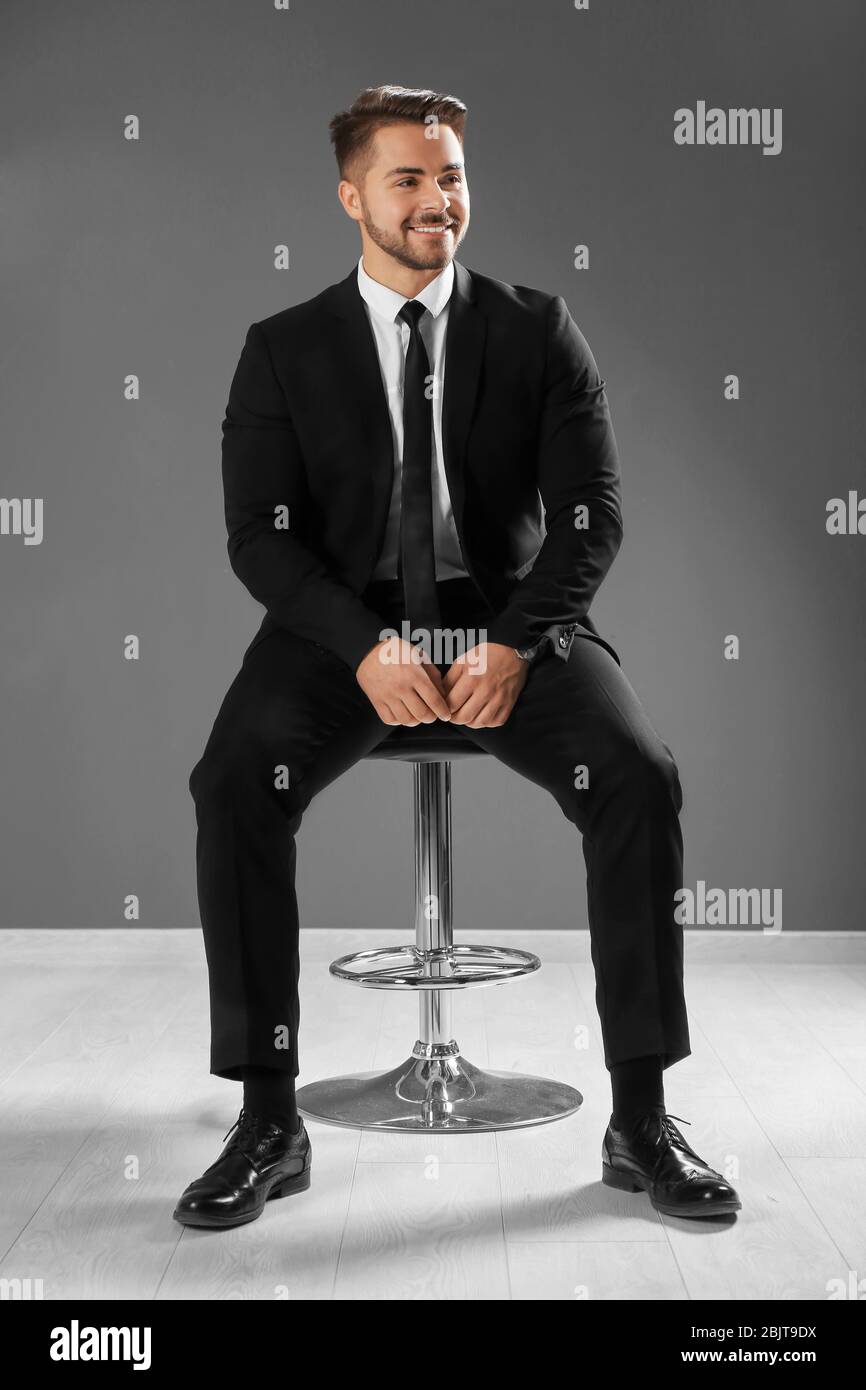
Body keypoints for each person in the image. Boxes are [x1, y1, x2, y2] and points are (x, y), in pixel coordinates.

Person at [174, 84, 741, 1229]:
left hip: (509, 616)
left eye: (451, 177)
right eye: (408, 179)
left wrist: (514, 641)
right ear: (351, 197)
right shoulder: (281, 351)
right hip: (336, 628)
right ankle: (268, 1115)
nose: (439, 200)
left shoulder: (537, 330)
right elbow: (258, 539)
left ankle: (640, 1118)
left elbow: (590, 518)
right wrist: (361, 644)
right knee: (234, 779)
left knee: (637, 773)